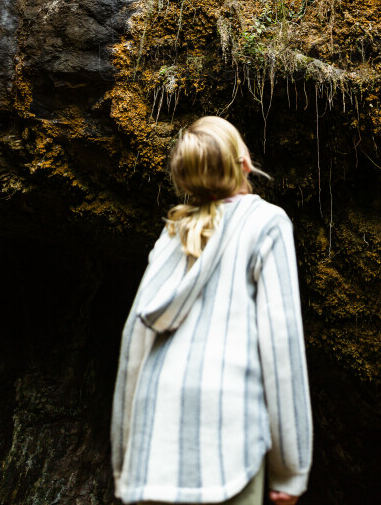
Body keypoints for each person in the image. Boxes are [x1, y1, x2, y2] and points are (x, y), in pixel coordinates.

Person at [111, 115, 313, 505]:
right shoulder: (267, 222)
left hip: (155, 437)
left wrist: (125, 463)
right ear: (244, 162)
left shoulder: (173, 232)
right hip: (228, 435)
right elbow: (281, 346)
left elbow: (135, 336)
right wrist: (291, 467)